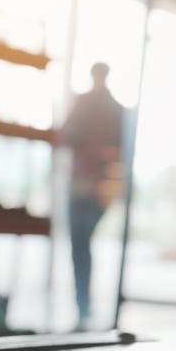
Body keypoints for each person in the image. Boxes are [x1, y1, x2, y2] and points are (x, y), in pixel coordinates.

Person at [58, 62, 124, 331]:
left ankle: (83, 306)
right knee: (83, 244)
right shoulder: (116, 108)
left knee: (80, 244)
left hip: (87, 186)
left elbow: (65, 136)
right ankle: (84, 305)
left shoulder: (87, 104)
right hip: (102, 187)